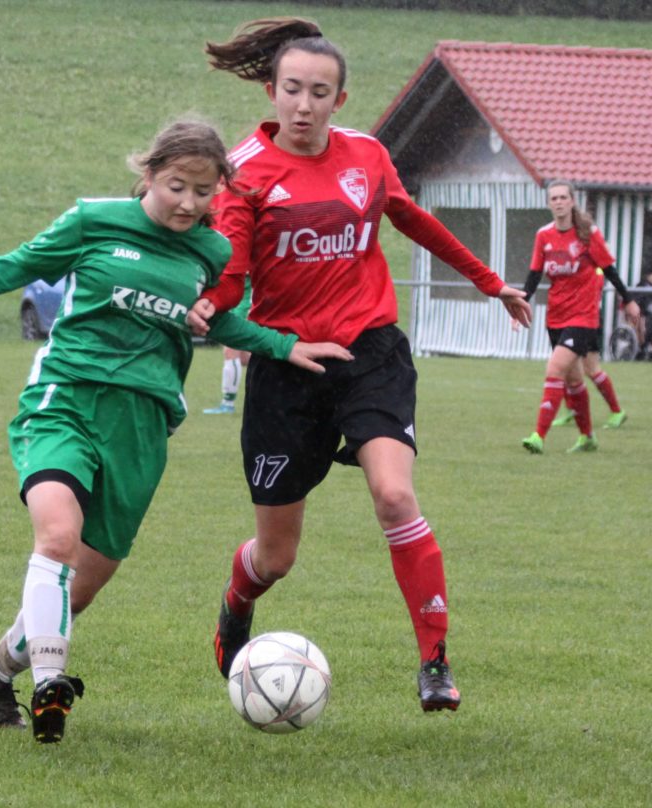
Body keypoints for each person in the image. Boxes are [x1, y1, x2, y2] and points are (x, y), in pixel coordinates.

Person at [0, 120, 352, 743]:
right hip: (66, 399)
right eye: (176, 186)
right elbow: (11, 267)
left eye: (203, 191)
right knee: (57, 538)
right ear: (148, 174)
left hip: (143, 427)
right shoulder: (92, 221)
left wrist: (284, 346)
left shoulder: (211, 253)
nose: (188, 202)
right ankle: (50, 684)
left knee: (76, 592)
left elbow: (219, 323)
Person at [187, 18, 532, 713]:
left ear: (340, 100)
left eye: (320, 93)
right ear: (271, 90)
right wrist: (205, 303)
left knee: (395, 496)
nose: (304, 105)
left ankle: (434, 662)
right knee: (276, 558)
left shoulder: (367, 156)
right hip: (288, 367)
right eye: (292, 89)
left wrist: (490, 282)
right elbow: (233, 275)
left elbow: (413, 220)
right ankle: (237, 601)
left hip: (371, 351)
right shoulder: (243, 172)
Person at [520, 181, 640, 454]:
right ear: (549, 204)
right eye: (554, 198)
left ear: (572, 201)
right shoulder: (544, 235)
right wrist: (520, 304)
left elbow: (610, 270)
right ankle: (587, 437)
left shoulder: (587, 234)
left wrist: (628, 299)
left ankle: (538, 436)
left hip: (583, 318)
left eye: (563, 197)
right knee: (574, 381)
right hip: (555, 317)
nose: (559, 202)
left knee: (554, 370)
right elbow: (534, 275)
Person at [549, 270, 632, 429]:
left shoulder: (594, 265)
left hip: (586, 319)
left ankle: (617, 411)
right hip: (566, 318)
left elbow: (596, 283)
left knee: (591, 368)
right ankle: (572, 410)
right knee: (564, 367)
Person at [203, 276, 252, 415]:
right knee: (244, 358)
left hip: (243, 307)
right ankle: (280, 368)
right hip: (236, 305)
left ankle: (228, 403)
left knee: (230, 351)